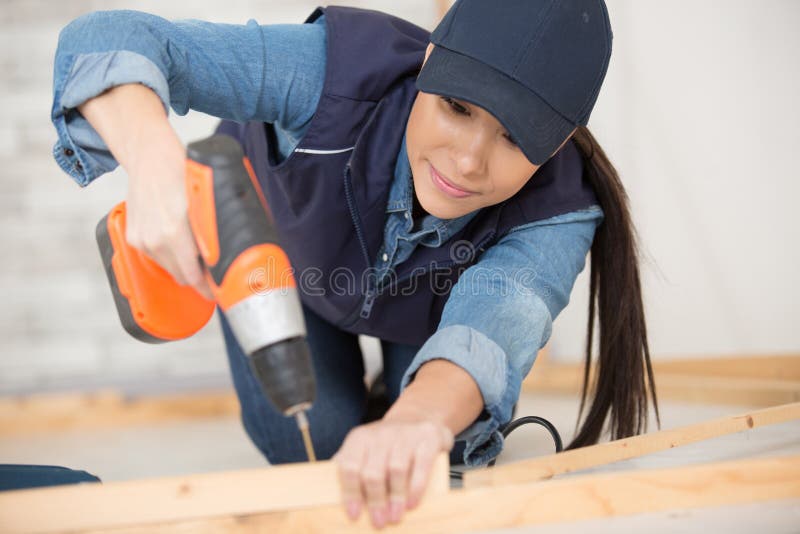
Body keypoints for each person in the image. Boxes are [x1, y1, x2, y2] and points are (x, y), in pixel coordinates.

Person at [50, 0, 659, 528]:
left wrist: (419, 417)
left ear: (555, 144)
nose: (469, 162)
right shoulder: (333, 74)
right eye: (456, 107)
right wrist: (154, 162)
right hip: (286, 260)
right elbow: (107, 36)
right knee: (313, 447)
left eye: (515, 138)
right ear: (427, 65)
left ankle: (395, 396)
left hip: (423, 314)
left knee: (425, 466)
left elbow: (495, 327)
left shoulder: (559, 209)